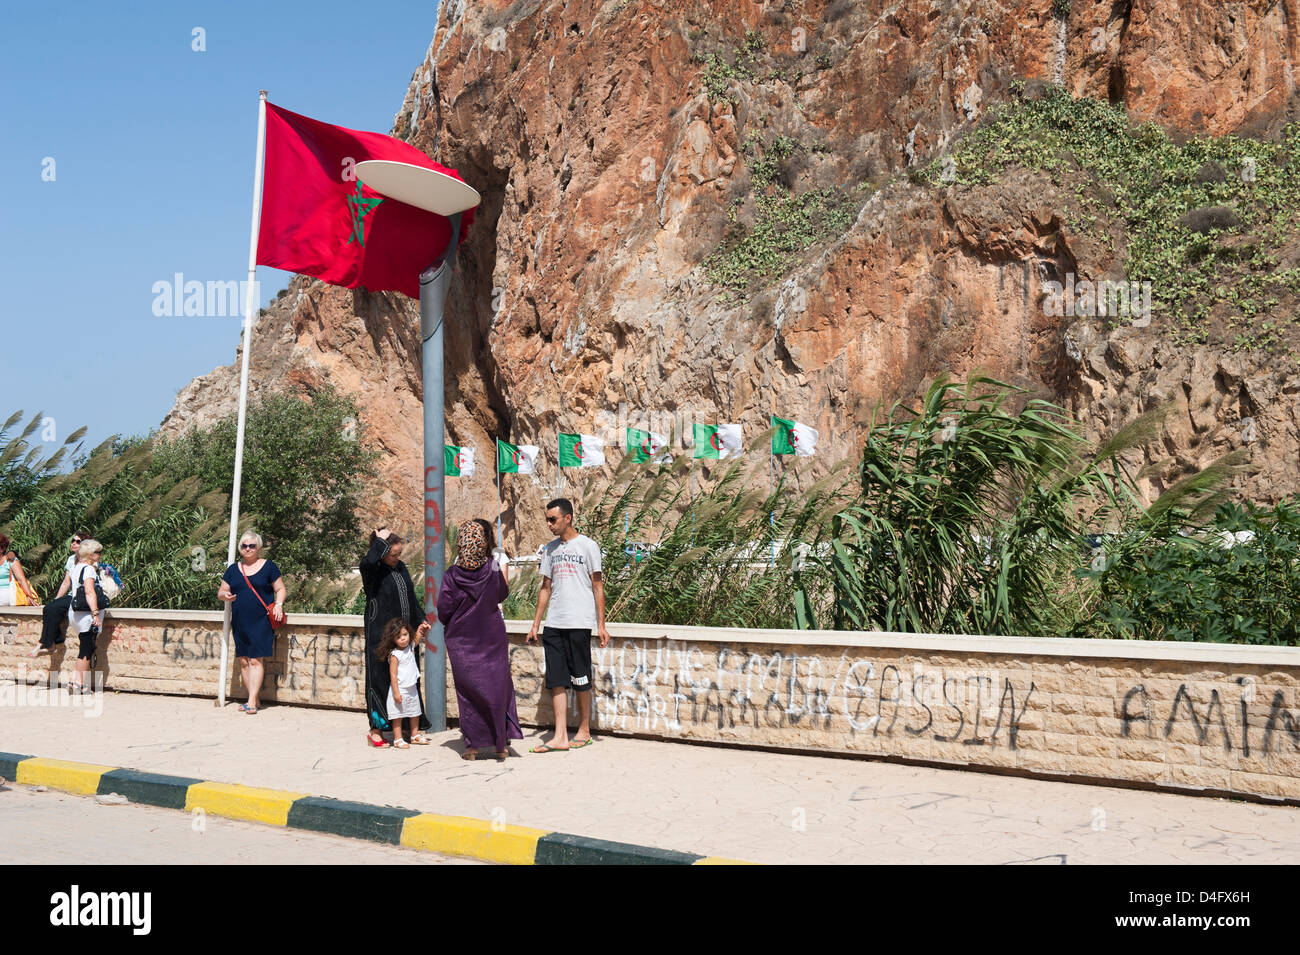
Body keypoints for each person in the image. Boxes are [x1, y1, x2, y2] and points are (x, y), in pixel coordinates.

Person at [526, 498, 611, 753]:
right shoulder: (550, 549)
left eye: (553, 519)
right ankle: (560, 736)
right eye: (547, 520)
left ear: (568, 518)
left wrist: (601, 625)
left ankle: (584, 731)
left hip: (579, 622)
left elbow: (598, 586)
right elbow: (545, 588)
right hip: (554, 623)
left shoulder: (588, 546)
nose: (549, 524)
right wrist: (535, 624)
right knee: (557, 679)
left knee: (581, 677)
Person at [438, 519, 522, 760]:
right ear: (483, 543)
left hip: (462, 642)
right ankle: (500, 745)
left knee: (468, 692)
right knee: (497, 688)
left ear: (460, 544)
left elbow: (443, 609)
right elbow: (502, 593)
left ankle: (472, 747)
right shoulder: (493, 567)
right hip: (492, 638)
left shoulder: (451, 575)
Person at [360, 528, 431, 747]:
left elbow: (411, 598)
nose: (397, 558)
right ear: (381, 552)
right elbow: (367, 562)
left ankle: (410, 728)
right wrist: (379, 541)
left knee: (408, 680)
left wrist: (421, 620)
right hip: (380, 637)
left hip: (404, 638)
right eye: (393, 554)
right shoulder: (373, 571)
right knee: (380, 679)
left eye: (399, 554)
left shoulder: (400, 568)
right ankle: (376, 729)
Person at [217, 531, 285, 714]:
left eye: (251, 546)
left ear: (258, 547)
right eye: (244, 546)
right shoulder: (233, 570)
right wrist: (225, 595)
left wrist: (279, 605)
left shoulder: (269, 567)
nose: (247, 549)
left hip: (261, 620)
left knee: (255, 659)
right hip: (240, 621)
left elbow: (280, 589)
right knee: (244, 662)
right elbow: (221, 592)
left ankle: (251, 702)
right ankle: (254, 698)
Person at [30, 531, 91, 658]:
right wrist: (56, 599)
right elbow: (66, 582)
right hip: (72, 594)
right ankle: (53, 642)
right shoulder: (71, 559)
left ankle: (44, 643)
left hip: (82, 595)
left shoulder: (89, 561)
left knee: (54, 608)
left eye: (78, 541)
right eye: (73, 541)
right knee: (49, 607)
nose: (74, 543)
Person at [375, 619, 428, 749]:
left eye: (405, 634)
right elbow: (393, 675)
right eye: (398, 637)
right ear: (393, 639)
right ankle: (398, 739)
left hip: (412, 688)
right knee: (397, 716)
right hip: (400, 689)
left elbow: (417, 638)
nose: (403, 638)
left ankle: (414, 735)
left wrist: (421, 629)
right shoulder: (395, 655)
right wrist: (396, 692)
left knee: (415, 712)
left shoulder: (410, 648)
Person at [66, 538, 106, 694]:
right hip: (86, 615)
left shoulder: (77, 567)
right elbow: (89, 592)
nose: (100, 555)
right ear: (90, 554)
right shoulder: (88, 570)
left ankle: (73, 681)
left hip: (75, 613)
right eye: (98, 552)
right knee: (86, 649)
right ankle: (79, 684)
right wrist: (95, 613)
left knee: (84, 647)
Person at [0, 535, 38, 607]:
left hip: (7, 592)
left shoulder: (10, 560)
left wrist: (30, 596)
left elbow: (21, 579)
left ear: (2, 548)